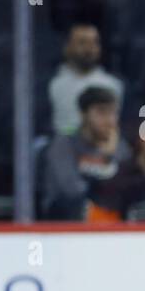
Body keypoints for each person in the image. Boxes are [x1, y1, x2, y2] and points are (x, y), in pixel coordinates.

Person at [38, 85, 131, 221]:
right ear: (83, 114)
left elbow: (126, 189)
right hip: (64, 219)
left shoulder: (120, 147)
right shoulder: (64, 144)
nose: (109, 120)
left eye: (113, 113)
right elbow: (71, 190)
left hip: (108, 217)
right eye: (101, 112)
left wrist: (110, 157)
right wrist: (105, 163)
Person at [48, 22, 124, 137]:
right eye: (82, 42)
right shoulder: (52, 84)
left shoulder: (114, 85)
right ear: (67, 47)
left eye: (94, 42)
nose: (89, 49)